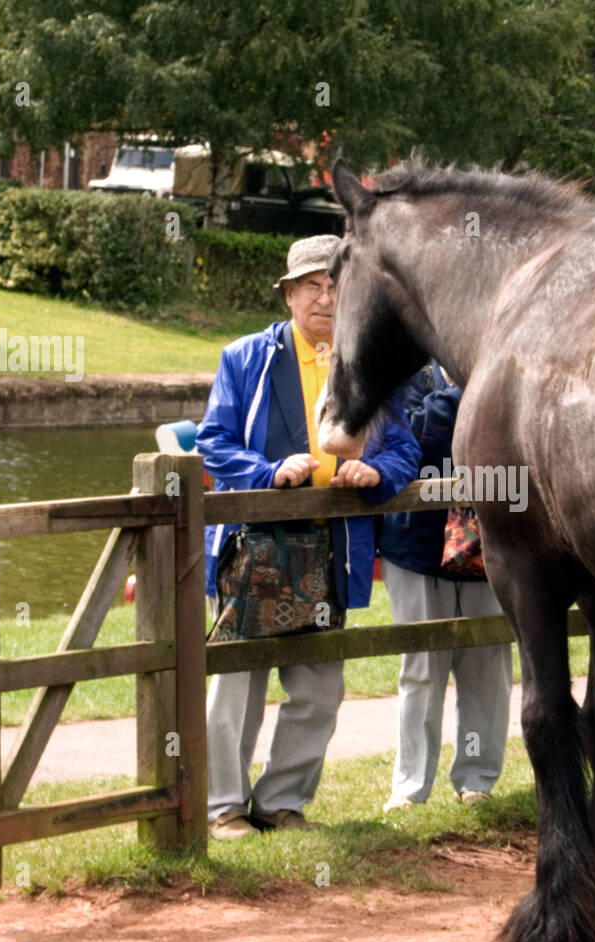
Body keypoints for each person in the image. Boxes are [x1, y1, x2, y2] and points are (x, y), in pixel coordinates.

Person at [197, 234, 420, 839]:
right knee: (235, 685)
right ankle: (222, 807)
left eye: (335, 287)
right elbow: (212, 443)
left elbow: (404, 446)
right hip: (252, 548)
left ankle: (281, 802)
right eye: (312, 287)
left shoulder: (367, 364)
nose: (325, 298)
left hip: (332, 550)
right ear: (290, 294)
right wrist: (268, 473)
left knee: (320, 689)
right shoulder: (246, 358)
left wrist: (378, 472)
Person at [376, 359, 512, 812]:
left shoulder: (503, 369)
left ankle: (476, 780)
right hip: (415, 548)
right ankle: (410, 788)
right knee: (421, 670)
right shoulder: (406, 376)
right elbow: (410, 439)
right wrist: (458, 390)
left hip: (491, 549)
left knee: (487, 670)